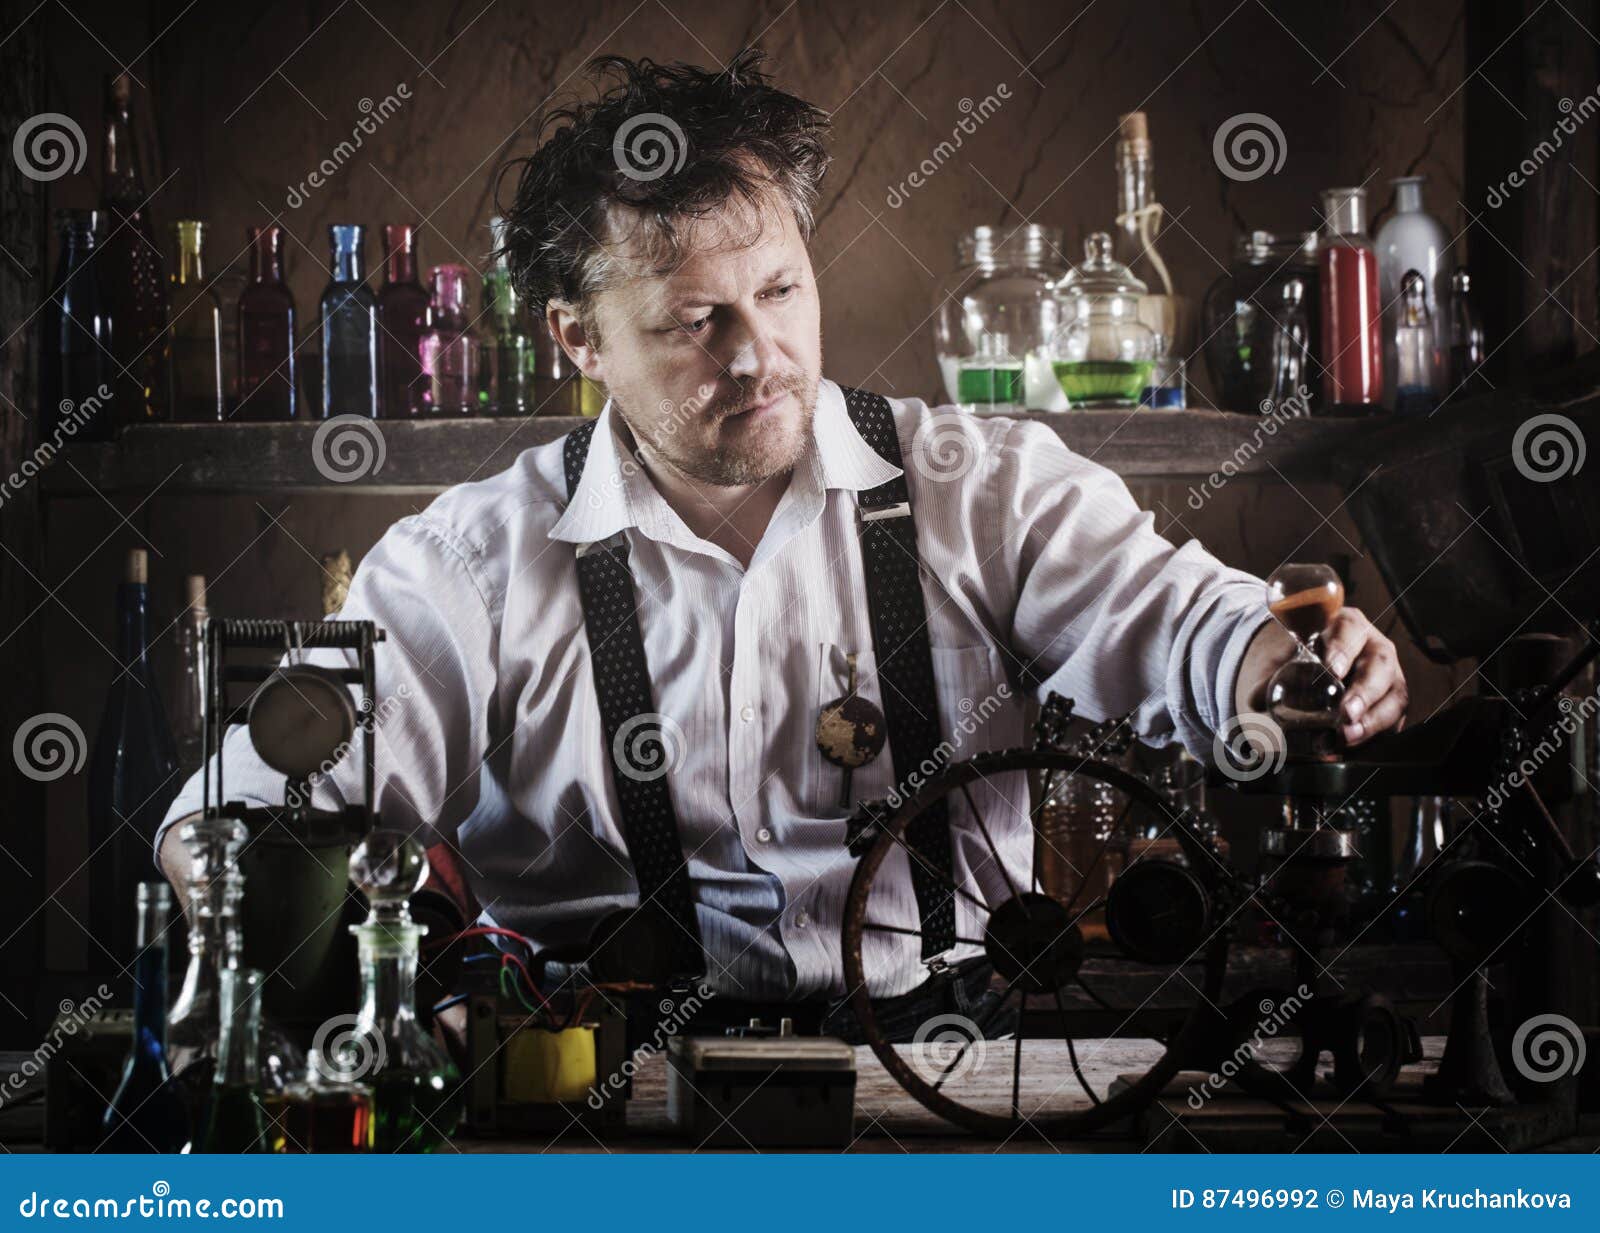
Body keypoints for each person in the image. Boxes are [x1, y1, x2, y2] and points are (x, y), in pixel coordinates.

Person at [156, 48, 1406, 1038]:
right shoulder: (472, 563)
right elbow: (257, 797)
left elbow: (1176, 621)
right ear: (578, 340)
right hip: (592, 1088)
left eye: (780, 293)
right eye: (695, 319)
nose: (756, 356)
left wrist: (1283, 665)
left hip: (946, 1077)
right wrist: (257, 855)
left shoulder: (985, 487)